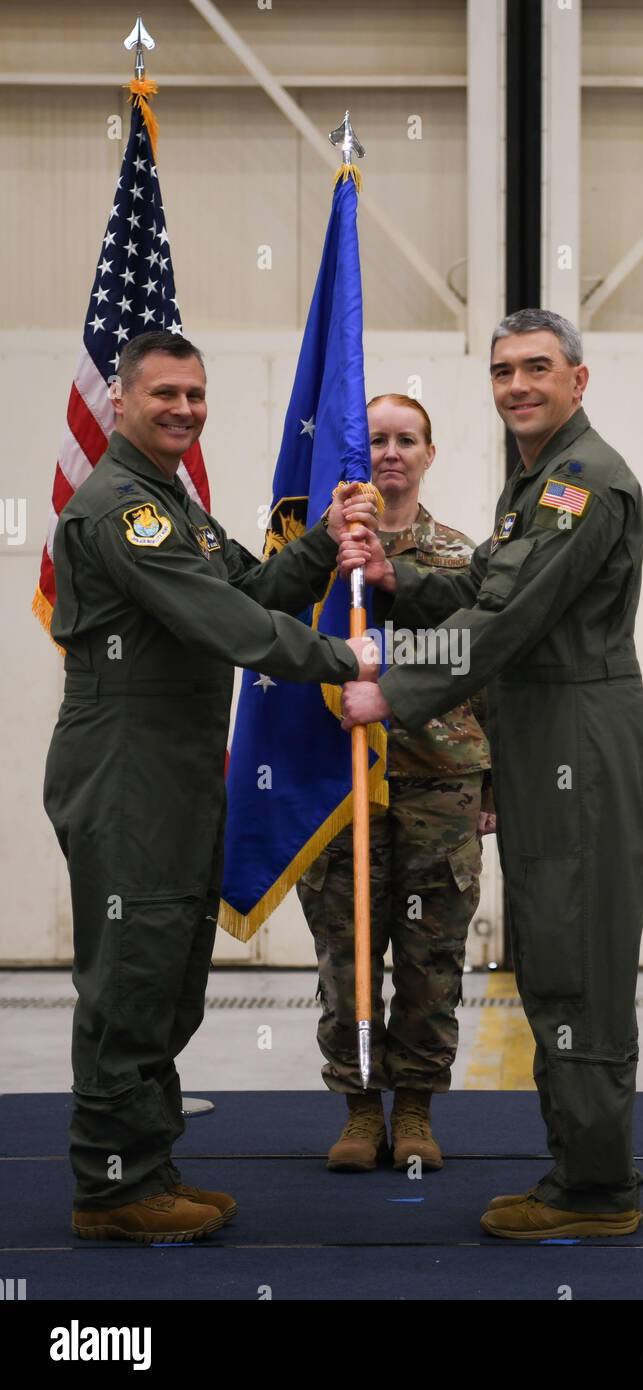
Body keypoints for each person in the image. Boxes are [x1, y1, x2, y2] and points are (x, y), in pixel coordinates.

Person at [44, 330, 380, 1245]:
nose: (184, 409)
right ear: (121, 401)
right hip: (128, 771)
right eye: (164, 394)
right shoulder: (123, 509)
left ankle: (146, 1167)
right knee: (131, 985)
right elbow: (229, 620)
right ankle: (112, 1189)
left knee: (168, 981)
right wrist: (341, 658)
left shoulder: (175, 502)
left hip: (177, 773)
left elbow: (257, 583)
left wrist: (324, 541)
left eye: (195, 394)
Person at [338, 309, 643, 1239]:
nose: (517, 386)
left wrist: (390, 693)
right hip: (546, 738)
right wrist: (406, 587)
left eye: (537, 369)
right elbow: (485, 593)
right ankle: (578, 1173)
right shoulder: (536, 484)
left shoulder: (583, 485)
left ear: (578, 380)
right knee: (555, 959)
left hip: (581, 739)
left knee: (577, 969)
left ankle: (597, 1192)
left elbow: (507, 619)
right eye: (502, 372)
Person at [297, 394, 493, 1173]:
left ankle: (413, 1108)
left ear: (429, 453)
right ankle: (356, 1107)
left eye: (406, 439)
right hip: (341, 784)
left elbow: (491, 667)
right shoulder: (318, 556)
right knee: (346, 954)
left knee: (430, 956)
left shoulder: (464, 558)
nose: (391, 453)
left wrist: (497, 788)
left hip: (441, 779)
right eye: (376, 439)